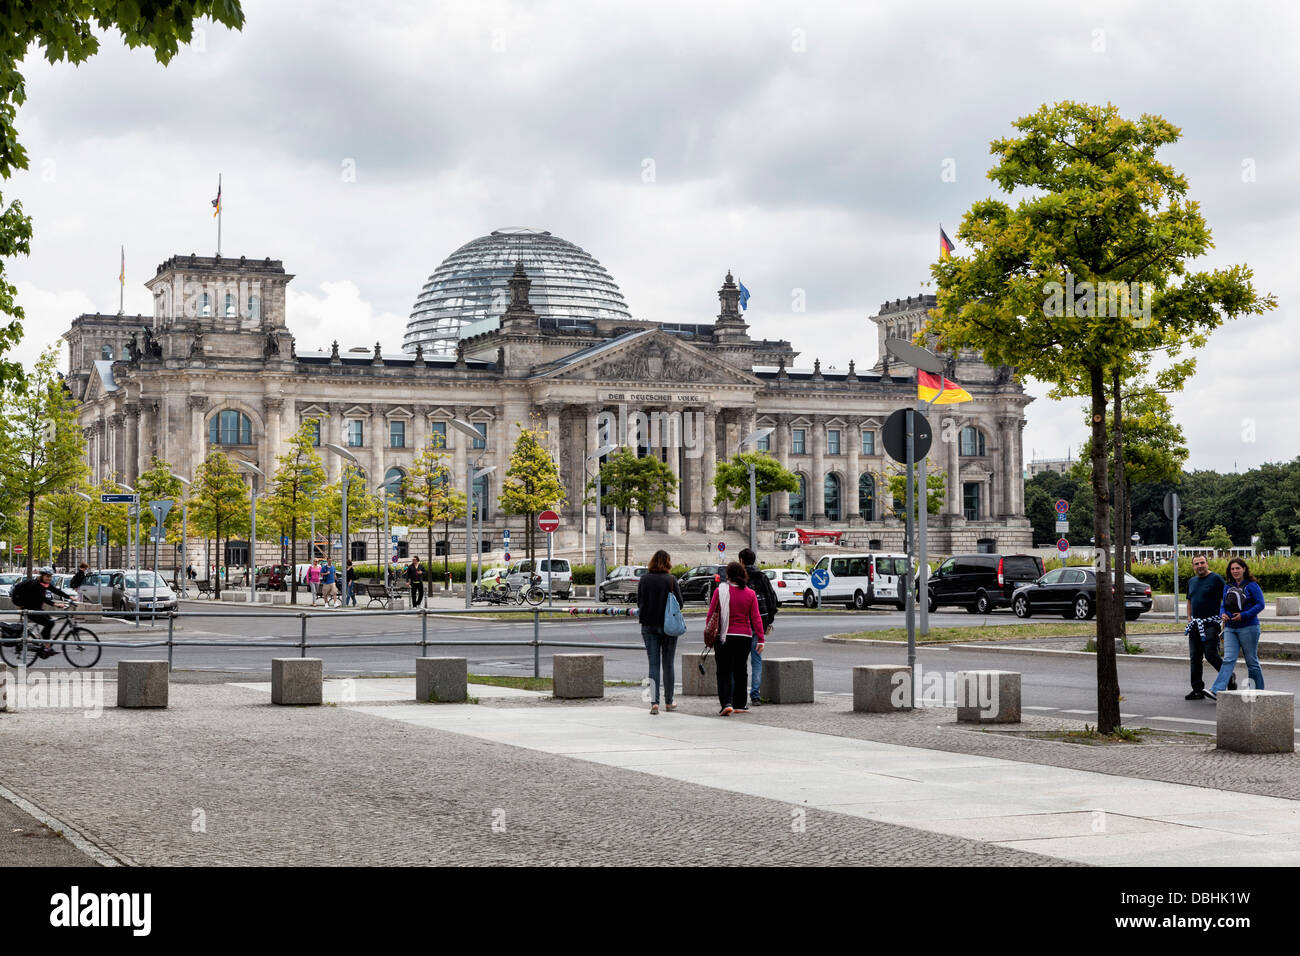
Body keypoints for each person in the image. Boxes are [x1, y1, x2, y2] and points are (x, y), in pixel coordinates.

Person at [706, 561, 764, 716]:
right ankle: (740, 704)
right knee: (741, 670)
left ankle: (726, 703)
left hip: (723, 636)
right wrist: (761, 639)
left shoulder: (720, 591)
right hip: (744, 636)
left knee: (723, 671)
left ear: (728, 575)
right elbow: (756, 618)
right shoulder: (750, 593)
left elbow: (711, 614)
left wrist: (709, 633)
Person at [1207, 557, 1267, 699]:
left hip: (1249, 627)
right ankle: (1217, 690)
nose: (1235, 571)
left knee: (1251, 661)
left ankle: (1258, 691)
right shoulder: (1228, 587)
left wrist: (1244, 615)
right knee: (1228, 659)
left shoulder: (1252, 585)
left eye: (1238, 568)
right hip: (1230, 628)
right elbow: (1223, 605)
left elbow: (1261, 604)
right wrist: (1223, 614)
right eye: (1232, 569)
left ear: (1244, 569)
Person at [636, 549, 685, 715]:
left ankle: (654, 702)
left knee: (653, 664)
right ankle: (669, 702)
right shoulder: (671, 580)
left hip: (648, 625)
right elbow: (680, 603)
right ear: (668, 562)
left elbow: (639, 602)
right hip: (668, 626)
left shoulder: (644, 579)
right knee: (668, 664)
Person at [1185, 554, 1233, 699]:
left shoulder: (1216, 579)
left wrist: (1225, 616)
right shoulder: (1192, 581)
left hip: (1212, 623)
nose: (1200, 566)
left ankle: (1229, 678)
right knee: (1195, 657)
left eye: (1202, 563)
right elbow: (1189, 601)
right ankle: (1197, 689)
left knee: (1211, 654)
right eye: (1196, 564)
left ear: (1207, 563)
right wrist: (1188, 617)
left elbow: (1226, 599)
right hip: (1195, 623)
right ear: (1193, 566)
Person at [739, 548, 777, 707]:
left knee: (740, 662)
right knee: (757, 660)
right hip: (760, 622)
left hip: (742, 624)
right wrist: (769, 620)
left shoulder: (740, 578)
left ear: (741, 561)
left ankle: (738, 695)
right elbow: (772, 599)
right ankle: (755, 695)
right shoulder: (762, 577)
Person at [10, 570, 72, 658]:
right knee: (49, 623)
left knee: (50, 622)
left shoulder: (44, 584)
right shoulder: (35, 585)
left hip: (36, 608)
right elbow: (41, 598)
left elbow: (56, 591)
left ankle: (45, 644)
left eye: (50, 576)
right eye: (47, 576)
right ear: (42, 576)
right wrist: (55, 604)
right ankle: (46, 648)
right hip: (29, 609)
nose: (49, 578)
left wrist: (69, 597)